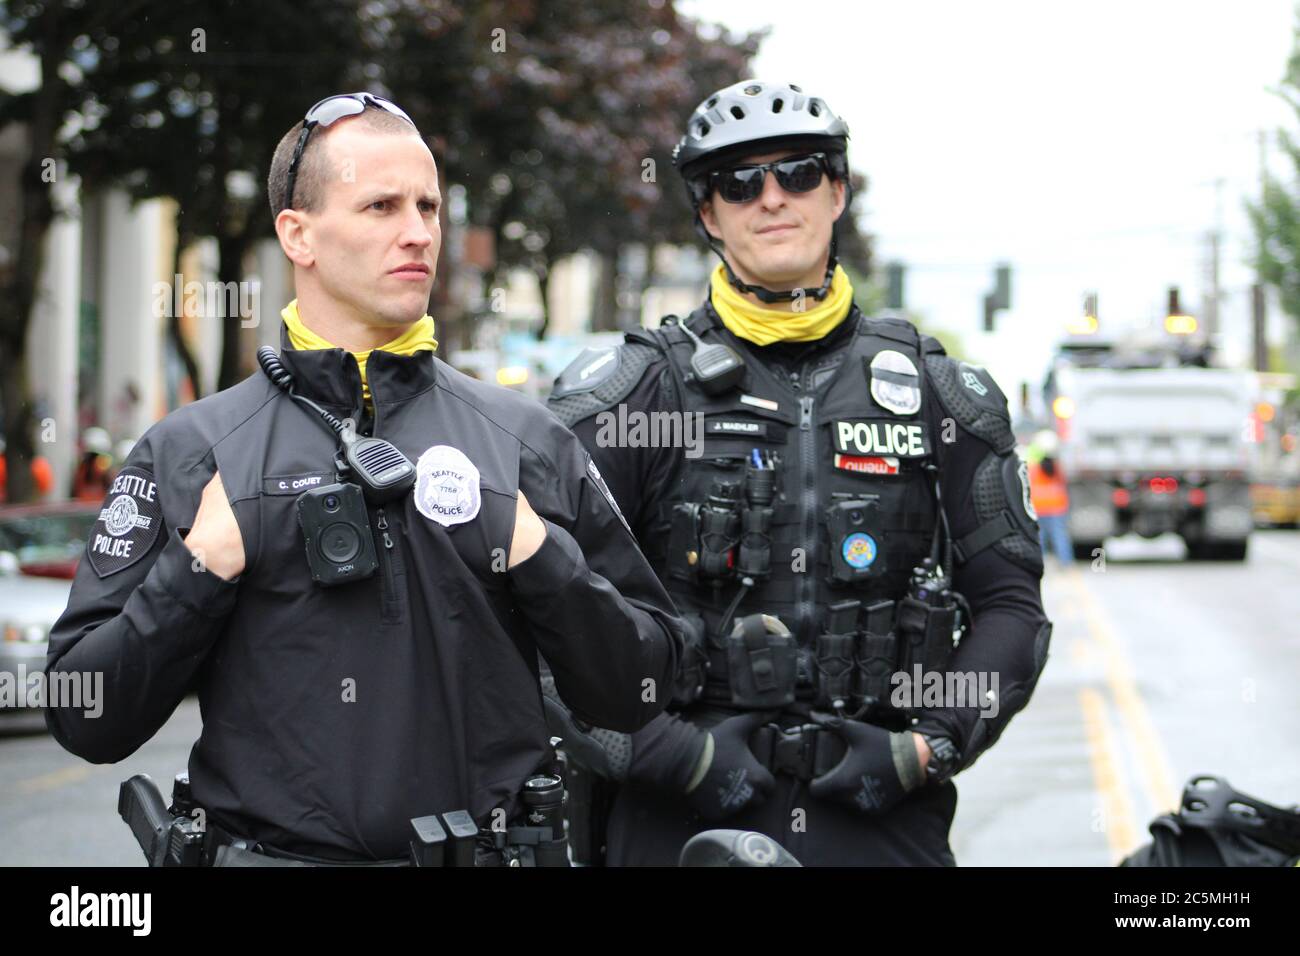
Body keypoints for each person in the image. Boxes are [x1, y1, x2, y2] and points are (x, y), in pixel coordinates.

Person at [46, 92, 682, 864]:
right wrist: (197, 570)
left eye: (428, 206)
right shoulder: (190, 449)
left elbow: (640, 688)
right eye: (380, 206)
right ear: (298, 233)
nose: (417, 233)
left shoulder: (525, 438)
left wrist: (541, 556)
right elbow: (86, 716)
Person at [547, 79, 1052, 865]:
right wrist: (673, 756)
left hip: (881, 818)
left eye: (801, 173)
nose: (772, 198)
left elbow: (1011, 607)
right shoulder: (628, 394)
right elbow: (546, 622)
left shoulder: (939, 394)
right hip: (677, 817)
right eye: (739, 182)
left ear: (838, 191)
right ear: (709, 214)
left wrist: (928, 746)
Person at [1028, 430, 1073, 564]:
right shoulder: (1058, 468)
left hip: (1039, 507)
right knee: (1060, 537)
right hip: (1057, 507)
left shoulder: (1033, 468)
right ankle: (1066, 563)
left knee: (1039, 539)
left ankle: (1038, 563)